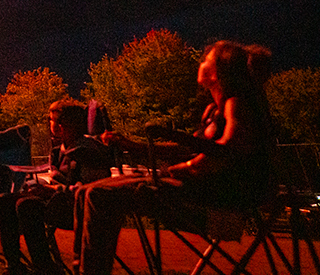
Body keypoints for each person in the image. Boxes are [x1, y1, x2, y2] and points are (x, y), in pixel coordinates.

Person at [73, 41, 274, 275]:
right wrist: (132, 145)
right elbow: (183, 148)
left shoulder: (237, 104)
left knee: (100, 195)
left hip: (223, 198)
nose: (201, 62)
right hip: (200, 188)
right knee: (84, 191)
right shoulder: (213, 110)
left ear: (218, 71)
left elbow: (229, 148)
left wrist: (190, 166)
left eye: (207, 59)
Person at [0, 101, 112, 275]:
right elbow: (55, 181)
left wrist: (53, 190)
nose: (50, 124)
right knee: (4, 200)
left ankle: (45, 268)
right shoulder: (58, 151)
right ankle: (13, 267)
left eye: (51, 120)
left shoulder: (87, 151)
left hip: (79, 209)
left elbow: (92, 190)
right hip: (58, 202)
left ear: (61, 126)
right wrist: (39, 187)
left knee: (26, 205)